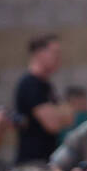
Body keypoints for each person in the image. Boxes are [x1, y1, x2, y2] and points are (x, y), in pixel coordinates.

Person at [13, 34, 72, 163]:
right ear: (39, 53)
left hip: (47, 159)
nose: (58, 57)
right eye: (54, 52)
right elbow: (53, 125)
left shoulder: (47, 85)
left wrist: (58, 114)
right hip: (32, 162)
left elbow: (69, 117)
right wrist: (59, 113)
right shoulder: (30, 84)